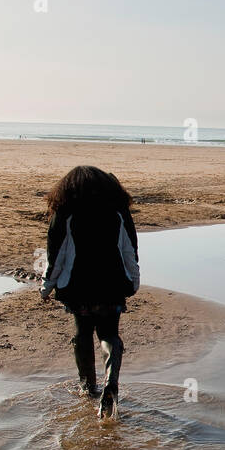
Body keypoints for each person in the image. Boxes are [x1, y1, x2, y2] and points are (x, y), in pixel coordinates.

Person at [39, 166, 140, 418]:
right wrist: (134, 281)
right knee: (109, 334)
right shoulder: (118, 211)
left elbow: (55, 254)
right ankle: (110, 382)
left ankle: (87, 387)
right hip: (113, 283)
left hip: (77, 285)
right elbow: (130, 250)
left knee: (82, 333)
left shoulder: (65, 212)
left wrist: (46, 287)